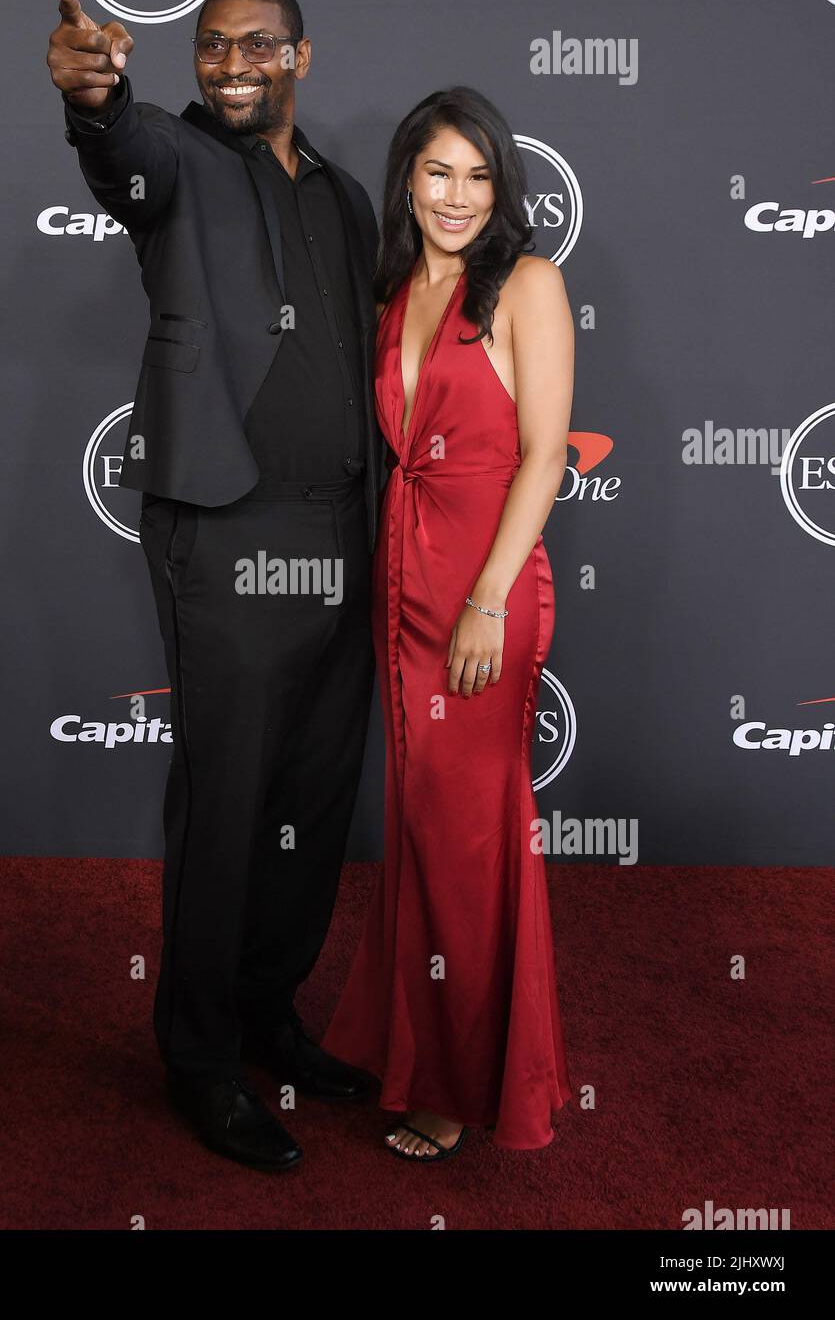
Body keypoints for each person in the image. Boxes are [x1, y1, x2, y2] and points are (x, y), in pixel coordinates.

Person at [46, 0, 384, 1172]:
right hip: (230, 537)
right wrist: (97, 103)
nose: (230, 63)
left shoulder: (345, 199)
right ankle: (196, 1056)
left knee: (309, 802)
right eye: (209, 46)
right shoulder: (177, 166)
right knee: (227, 802)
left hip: (345, 538)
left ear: (301, 54)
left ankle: (266, 1014)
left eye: (255, 45)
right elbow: (118, 156)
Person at [321, 87, 575, 1160]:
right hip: (403, 587)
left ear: (499, 188)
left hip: (485, 588)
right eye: (436, 172)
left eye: (477, 175)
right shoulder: (392, 289)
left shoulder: (524, 284)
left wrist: (483, 600)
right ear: (406, 180)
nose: (456, 195)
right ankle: (417, 1053)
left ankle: (472, 1086)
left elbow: (544, 456)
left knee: (468, 844)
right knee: (420, 835)